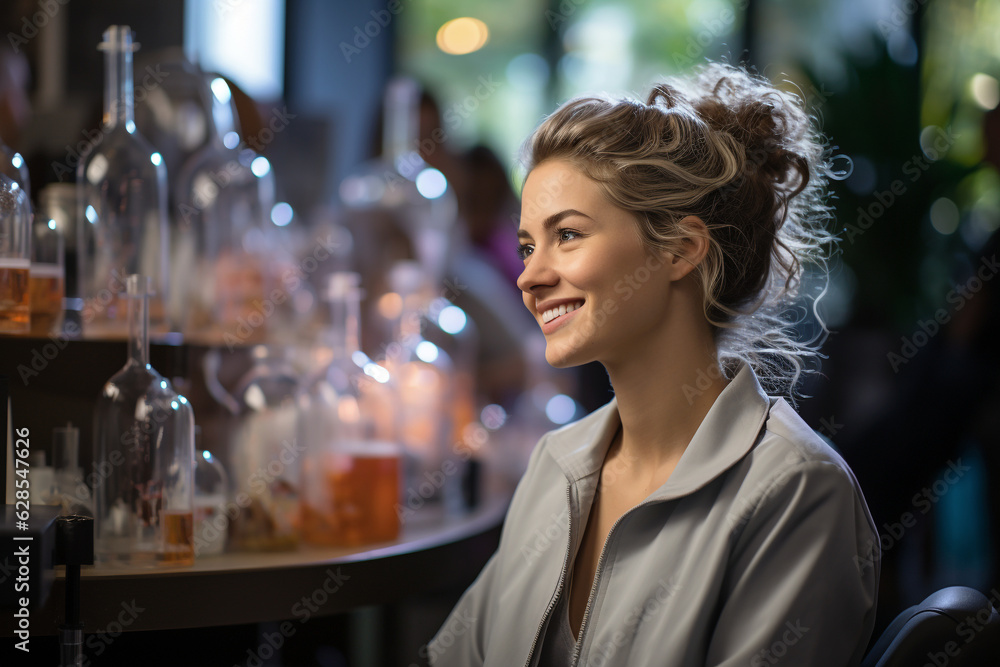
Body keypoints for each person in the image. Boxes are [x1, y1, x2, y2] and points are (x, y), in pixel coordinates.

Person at [426, 60, 880, 666]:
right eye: (528, 245)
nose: (529, 276)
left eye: (568, 235)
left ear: (680, 250)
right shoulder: (556, 466)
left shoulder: (795, 493)